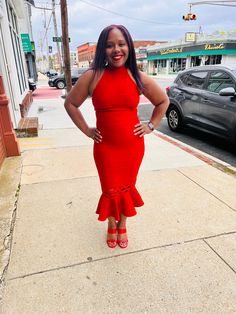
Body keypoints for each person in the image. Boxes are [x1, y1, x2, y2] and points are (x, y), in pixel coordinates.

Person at [64, 24, 169, 249]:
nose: (116, 49)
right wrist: (87, 130)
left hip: (132, 147)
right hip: (106, 148)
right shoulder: (93, 76)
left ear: (128, 46)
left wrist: (151, 125)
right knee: (110, 189)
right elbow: (71, 104)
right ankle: (111, 223)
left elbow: (163, 102)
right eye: (110, 45)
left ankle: (122, 224)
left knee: (127, 187)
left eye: (121, 44)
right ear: (103, 49)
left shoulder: (137, 77)